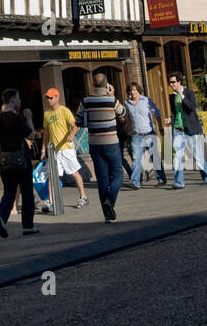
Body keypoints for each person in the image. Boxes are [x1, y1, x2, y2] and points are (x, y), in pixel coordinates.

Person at [0, 89, 37, 237]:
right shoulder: (17, 118)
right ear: (12, 100)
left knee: (8, 193)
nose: (20, 102)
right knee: (27, 192)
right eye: (18, 99)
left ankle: (1, 217)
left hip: (4, 162)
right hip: (21, 161)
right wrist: (29, 118)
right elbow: (32, 135)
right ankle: (28, 226)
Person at [79, 73, 124, 222]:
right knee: (118, 173)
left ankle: (107, 216)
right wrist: (112, 95)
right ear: (107, 85)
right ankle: (110, 202)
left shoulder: (86, 101)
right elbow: (122, 112)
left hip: (94, 144)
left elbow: (79, 121)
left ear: (93, 84)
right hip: (111, 141)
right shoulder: (112, 100)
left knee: (102, 178)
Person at [41, 88, 86, 210]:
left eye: (51, 97)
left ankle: (83, 196)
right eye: (48, 98)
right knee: (53, 175)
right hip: (54, 150)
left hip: (66, 148)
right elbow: (46, 133)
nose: (49, 100)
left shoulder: (64, 111)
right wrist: (44, 149)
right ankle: (50, 202)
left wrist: (71, 135)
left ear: (57, 97)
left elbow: (75, 126)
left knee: (73, 172)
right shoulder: (47, 114)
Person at [164, 72, 207, 187]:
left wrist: (182, 95)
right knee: (177, 156)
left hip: (190, 129)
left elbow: (192, 107)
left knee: (197, 155)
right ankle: (179, 182)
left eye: (173, 82)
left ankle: (206, 175)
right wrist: (170, 119)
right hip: (178, 129)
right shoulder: (172, 96)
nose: (171, 85)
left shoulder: (189, 93)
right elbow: (176, 112)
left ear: (179, 81)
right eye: (170, 82)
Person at [125, 82, 168, 189]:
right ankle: (135, 182)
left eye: (134, 90)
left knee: (155, 158)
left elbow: (156, 113)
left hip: (148, 133)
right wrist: (128, 130)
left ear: (138, 90)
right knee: (136, 158)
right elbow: (127, 118)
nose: (132, 92)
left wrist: (160, 127)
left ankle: (162, 179)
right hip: (136, 135)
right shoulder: (127, 103)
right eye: (130, 90)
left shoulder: (146, 101)